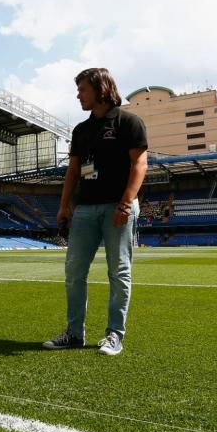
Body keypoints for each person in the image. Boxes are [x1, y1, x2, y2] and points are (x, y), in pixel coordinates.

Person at [43, 68, 148, 355]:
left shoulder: (129, 122)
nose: (78, 95)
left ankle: (115, 335)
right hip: (85, 209)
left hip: (119, 206)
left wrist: (126, 204)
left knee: (119, 271)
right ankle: (74, 333)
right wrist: (64, 206)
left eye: (83, 90)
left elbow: (140, 165)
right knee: (74, 272)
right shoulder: (81, 130)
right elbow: (74, 170)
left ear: (101, 89)